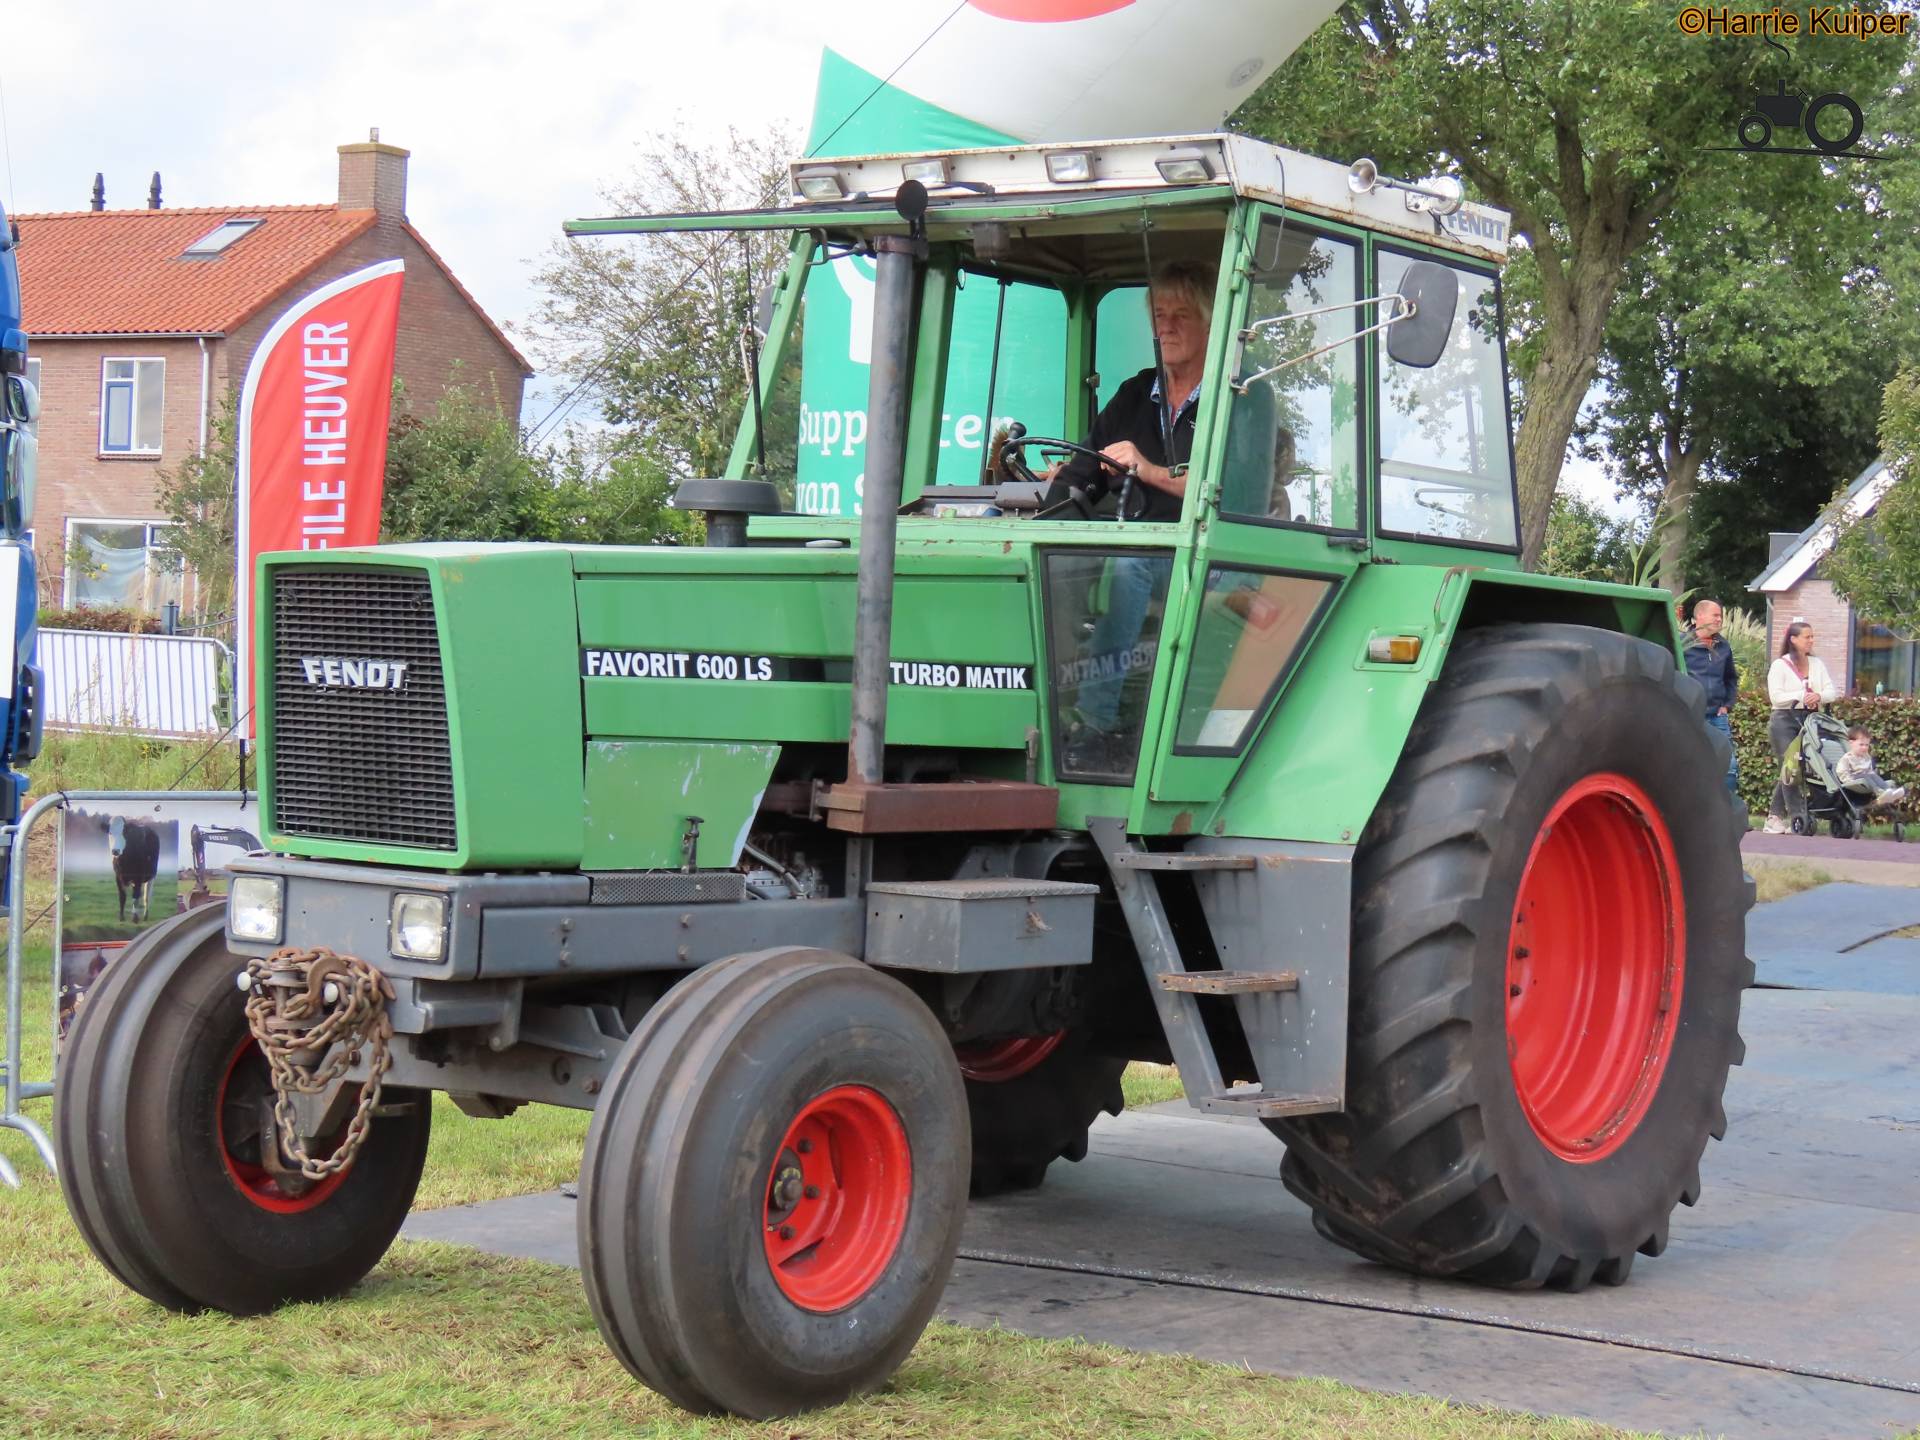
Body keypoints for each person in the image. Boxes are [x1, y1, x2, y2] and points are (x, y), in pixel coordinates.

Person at [1054, 259, 1215, 774]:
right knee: (1048, 561)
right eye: (1159, 315)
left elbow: (1224, 490)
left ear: (1214, 321)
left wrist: (1148, 470)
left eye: (1181, 315)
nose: (1165, 326)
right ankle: (1042, 716)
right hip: (1138, 543)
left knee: (1128, 566)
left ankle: (1098, 727)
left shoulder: (1240, 398)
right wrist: (1040, 510)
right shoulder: (1132, 395)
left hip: (1211, 552)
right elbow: (1085, 472)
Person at [1764, 619, 1839, 833]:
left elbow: (1831, 692)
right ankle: (1798, 815)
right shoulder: (1780, 665)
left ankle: (1774, 817)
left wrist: (1819, 695)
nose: (1811, 641)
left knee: (1795, 766)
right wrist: (1801, 695)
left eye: (1812, 636)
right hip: (1784, 719)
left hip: (1809, 719)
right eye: (1807, 637)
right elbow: (1776, 697)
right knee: (1791, 765)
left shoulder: (1817, 664)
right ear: (1793, 639)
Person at [1683, 599, 1739, 795]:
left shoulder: (1723, 647)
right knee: (1689, 765)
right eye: (1715, 615)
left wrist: (1727, 705)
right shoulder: (1683, 644)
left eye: (1720, 616)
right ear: (1700, 617)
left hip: (1717, 716)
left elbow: (1731, 678)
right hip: (1690, 717)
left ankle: (1730, 813)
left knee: (1729, 766)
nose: (1719, 619)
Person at [1836, 727, 1909, 808]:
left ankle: (1888, 790)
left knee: (1873, 774)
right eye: (1861, 744)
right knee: (1866, 775)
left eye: (1866, 745)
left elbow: (1869, 769)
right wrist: (1849, 780)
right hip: (1853, 780)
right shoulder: (1846, 758)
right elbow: (1842, 771)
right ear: (1851, 743)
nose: (1864, 747)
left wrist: (1871, 773)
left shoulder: (1865, 756)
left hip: (1866, 778)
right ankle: (1879, 792)